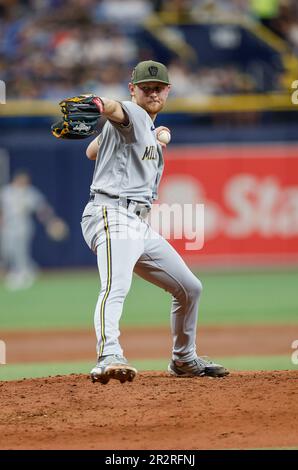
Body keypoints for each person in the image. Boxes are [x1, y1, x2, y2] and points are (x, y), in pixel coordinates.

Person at [80, 60, 229, 384]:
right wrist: (97, 103)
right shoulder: (132, 113)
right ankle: (108, 355)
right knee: (116, 286)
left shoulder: (142, 124)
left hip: (137, 223)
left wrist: (154, 135)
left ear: (167, 91)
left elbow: (92, 152)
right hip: (111, 214)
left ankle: (184, 359)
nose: (152, 92)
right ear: (132, 89)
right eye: (145, 88)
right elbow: (114, 108)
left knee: (190, 288)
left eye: (158, 87)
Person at [0, 170, 68, 290]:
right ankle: (30, 271)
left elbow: (42, 209)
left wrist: (51, 221)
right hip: (7, 228)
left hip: (22, 227)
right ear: (16, 180)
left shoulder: (30, 193)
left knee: (20, 252)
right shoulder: (6, 192)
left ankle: (21, 275)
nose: (24, 182)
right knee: (7, 252)